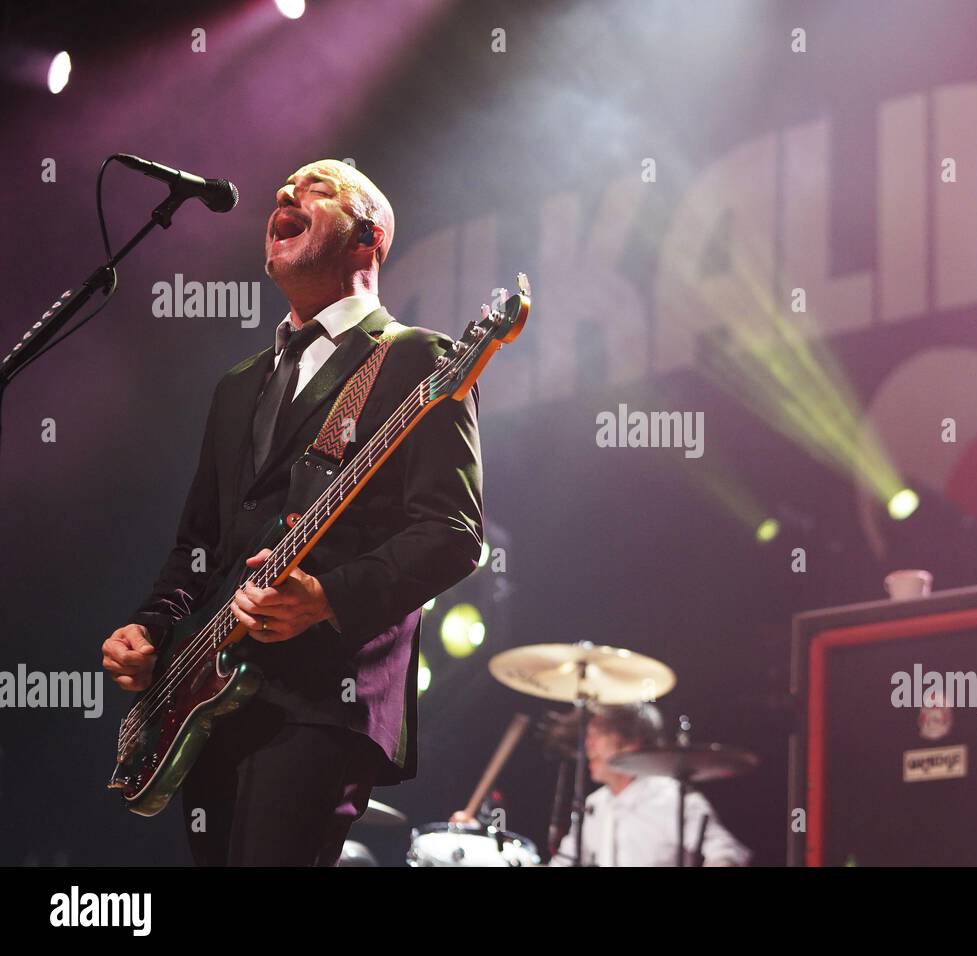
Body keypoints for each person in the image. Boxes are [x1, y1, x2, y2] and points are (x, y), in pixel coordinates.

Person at [100, 159, 484, 866]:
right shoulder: (238, 384)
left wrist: (328, 598)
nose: (285, 194)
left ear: (368, 238)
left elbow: (453, 534)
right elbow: (200, 544)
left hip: (322, 700)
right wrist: (151, 627)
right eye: (284, 190)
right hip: (207, 696)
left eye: (318, 189)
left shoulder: (418, 359)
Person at [548, 703, 751, 867]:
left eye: (597, 736)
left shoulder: (671, 798)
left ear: (631, 744)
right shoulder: (596, 804)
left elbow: (725, 852)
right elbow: (563, 861)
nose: (587, 746)